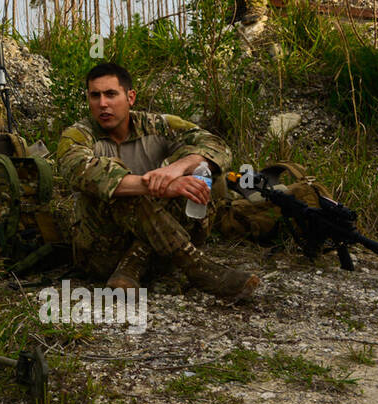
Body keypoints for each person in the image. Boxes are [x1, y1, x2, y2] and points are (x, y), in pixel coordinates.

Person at [56, 62, 260, 301]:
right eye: (95, 96)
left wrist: (177, 169)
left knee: (202, 169)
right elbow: (79, 169)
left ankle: (132, 266)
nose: (103, 104)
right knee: (118, 188)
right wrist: (159, 185)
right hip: (101, 250)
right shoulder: (78, 135)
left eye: (111, 94)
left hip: (158, 243)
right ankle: (197, 268)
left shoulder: (158, 125)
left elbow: (216, 146)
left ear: (130, 97)